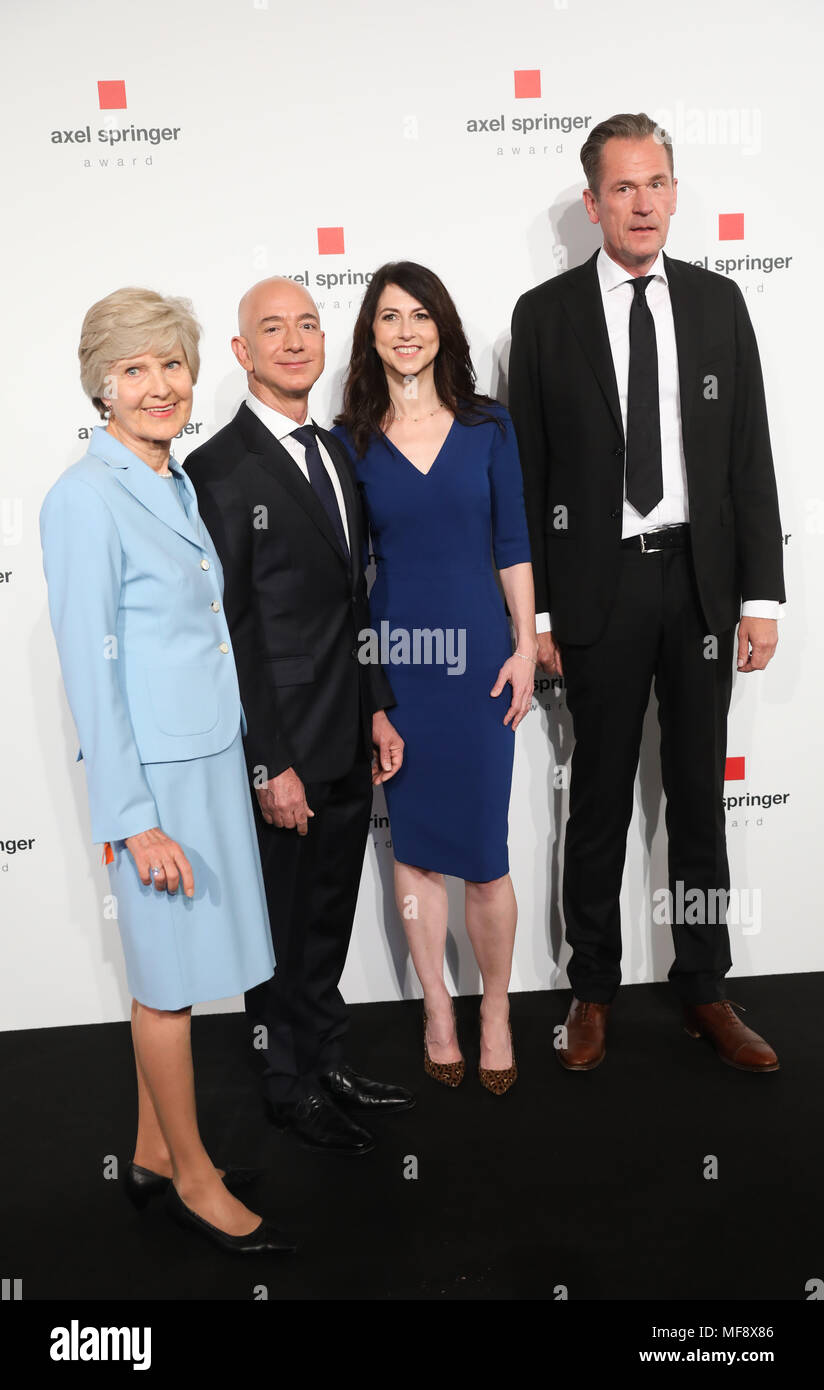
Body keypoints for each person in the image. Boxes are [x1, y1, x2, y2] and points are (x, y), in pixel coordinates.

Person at [508, 112, 785, 1073]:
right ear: (592, 203)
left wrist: (763, 598)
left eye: (656, 182)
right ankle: (592, 989)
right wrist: (536, 614)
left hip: (703, 586)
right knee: (597, 800)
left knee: (699, 800)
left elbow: (748, 455)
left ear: (675, 191)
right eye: (622, 187)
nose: (642, 202)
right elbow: (530, 476)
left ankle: (706, 987)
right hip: (597, 588)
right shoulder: (543, 318)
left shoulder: (719, 304)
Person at [39, 287, 293, 1256]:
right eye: (134, 368)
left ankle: (150, 1151)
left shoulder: (173, 479)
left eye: (171, 364)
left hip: (207, 761)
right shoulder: (83, 497)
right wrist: (132, 815)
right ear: (101, 384)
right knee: (166, 988)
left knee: (178, 976)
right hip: (154, 783)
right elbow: (91, 674)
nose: (158, 386)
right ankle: (193, 1178)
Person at [185, 277, 413, 1155]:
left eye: (308, 325)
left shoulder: (339, 453)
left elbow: (354, 602)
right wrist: (268, 762)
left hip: (349, 733)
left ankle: (329, 1061)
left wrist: (379, 707)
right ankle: (287, 1085)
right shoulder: (218, 469)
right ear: (241, 354)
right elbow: (231, 630)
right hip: (282, 749)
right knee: (280, 927)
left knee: (327, 915)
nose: (294, 341)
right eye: (271, 329)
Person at [333, 262, 536, 1095]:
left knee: (486, 858)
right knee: (412, 854)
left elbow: (515, 543)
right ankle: (436, 1009)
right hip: (403, 667)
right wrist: (375, 699)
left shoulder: (490, 425)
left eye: (421, 315)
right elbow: (350, 580)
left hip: (483, 663)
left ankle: (494, 1008)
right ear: (371, 334)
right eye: (390, 317)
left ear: (443, 326)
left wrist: (525, 646)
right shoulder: (351, 440)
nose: (407, 330)